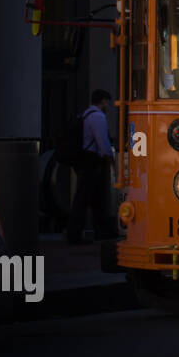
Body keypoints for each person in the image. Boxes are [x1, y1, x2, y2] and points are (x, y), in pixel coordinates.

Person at [66, 89, 117, 243]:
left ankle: (94, 231)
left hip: (85, 160)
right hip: (93, 161)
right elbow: (103, 143)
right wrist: (112, 161)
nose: (108, 105)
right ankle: (79, 234)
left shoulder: (86, 114)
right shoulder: (98, 117)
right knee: (88, 198)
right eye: (107, 102)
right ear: (102, 101)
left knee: (91, 197)